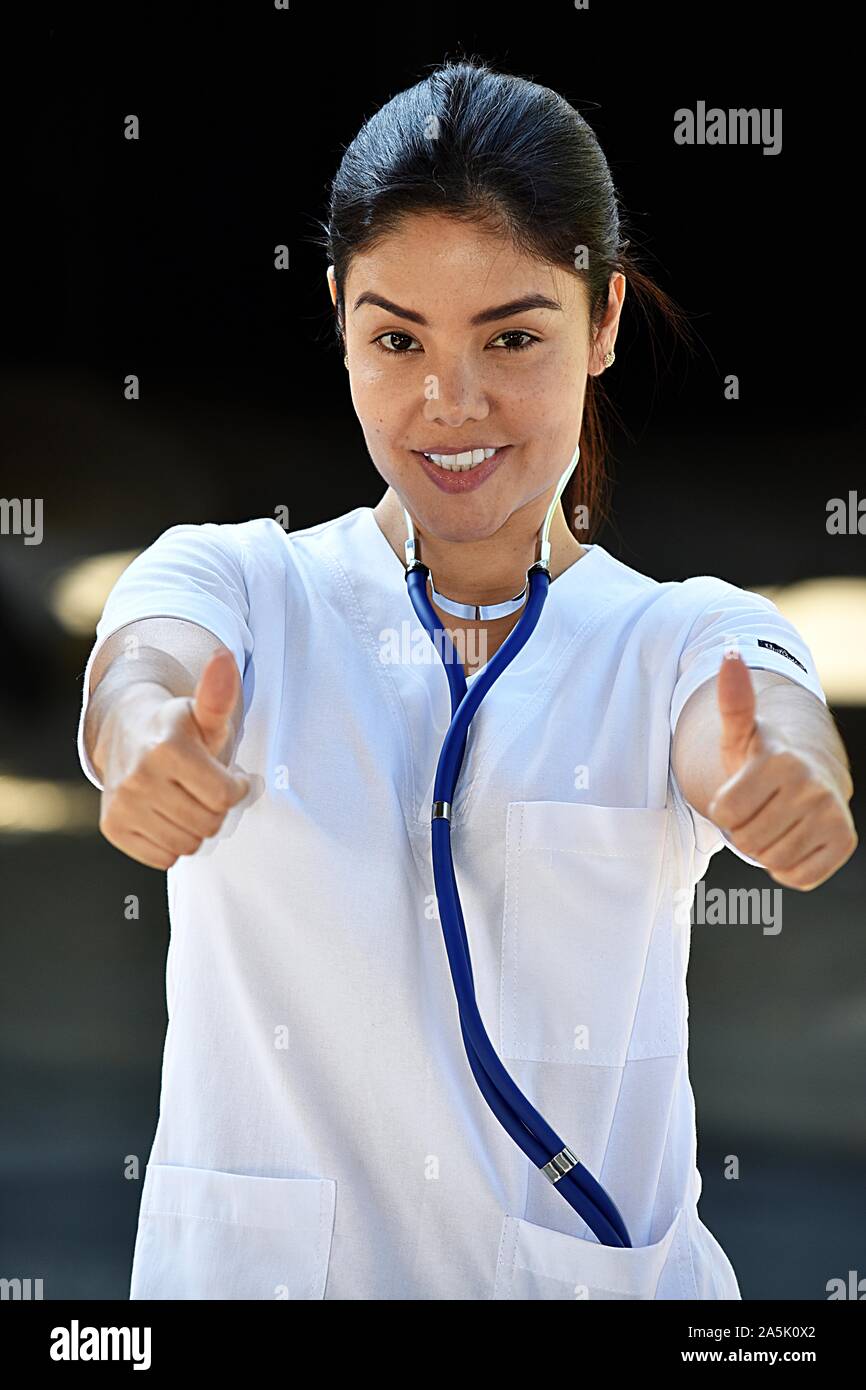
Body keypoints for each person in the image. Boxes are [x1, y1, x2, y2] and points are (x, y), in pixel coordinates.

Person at [77, 56, 856, 1300]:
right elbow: (143, 668)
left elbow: (758, 718)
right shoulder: (234, 582)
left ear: (601, 323)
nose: (450, 401)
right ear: (337, 318)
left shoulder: (675, 636)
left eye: (513, 337)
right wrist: (144, 740)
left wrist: (786, 779)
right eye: (396, 338)